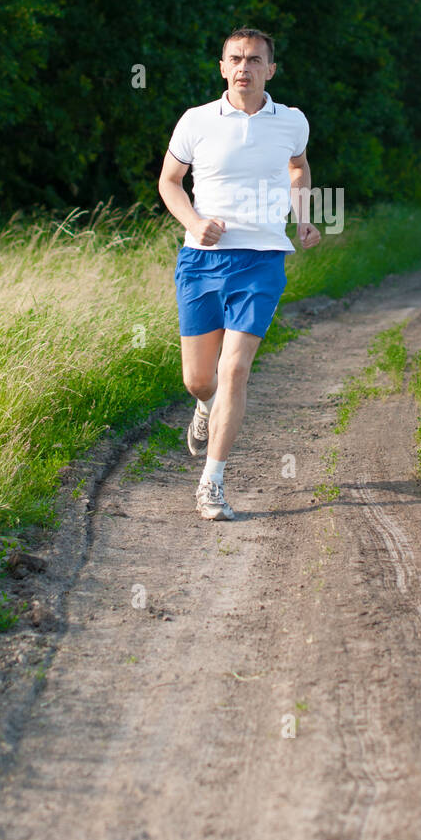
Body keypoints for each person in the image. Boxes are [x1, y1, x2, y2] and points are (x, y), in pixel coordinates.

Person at [157, 29, 321, 520]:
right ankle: (204, 408)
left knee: (235, 370)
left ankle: (213, 482)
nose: (244, 67)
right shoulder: (197, 121)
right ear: (223, 67)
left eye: (255, 59)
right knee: (198, 379)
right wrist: (194, 223)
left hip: (262, 258)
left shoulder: (291, 122)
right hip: (202, 260)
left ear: (271, 69)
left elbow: (299, 167)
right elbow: (169, 181)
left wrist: (304, 213)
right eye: (235, 59)